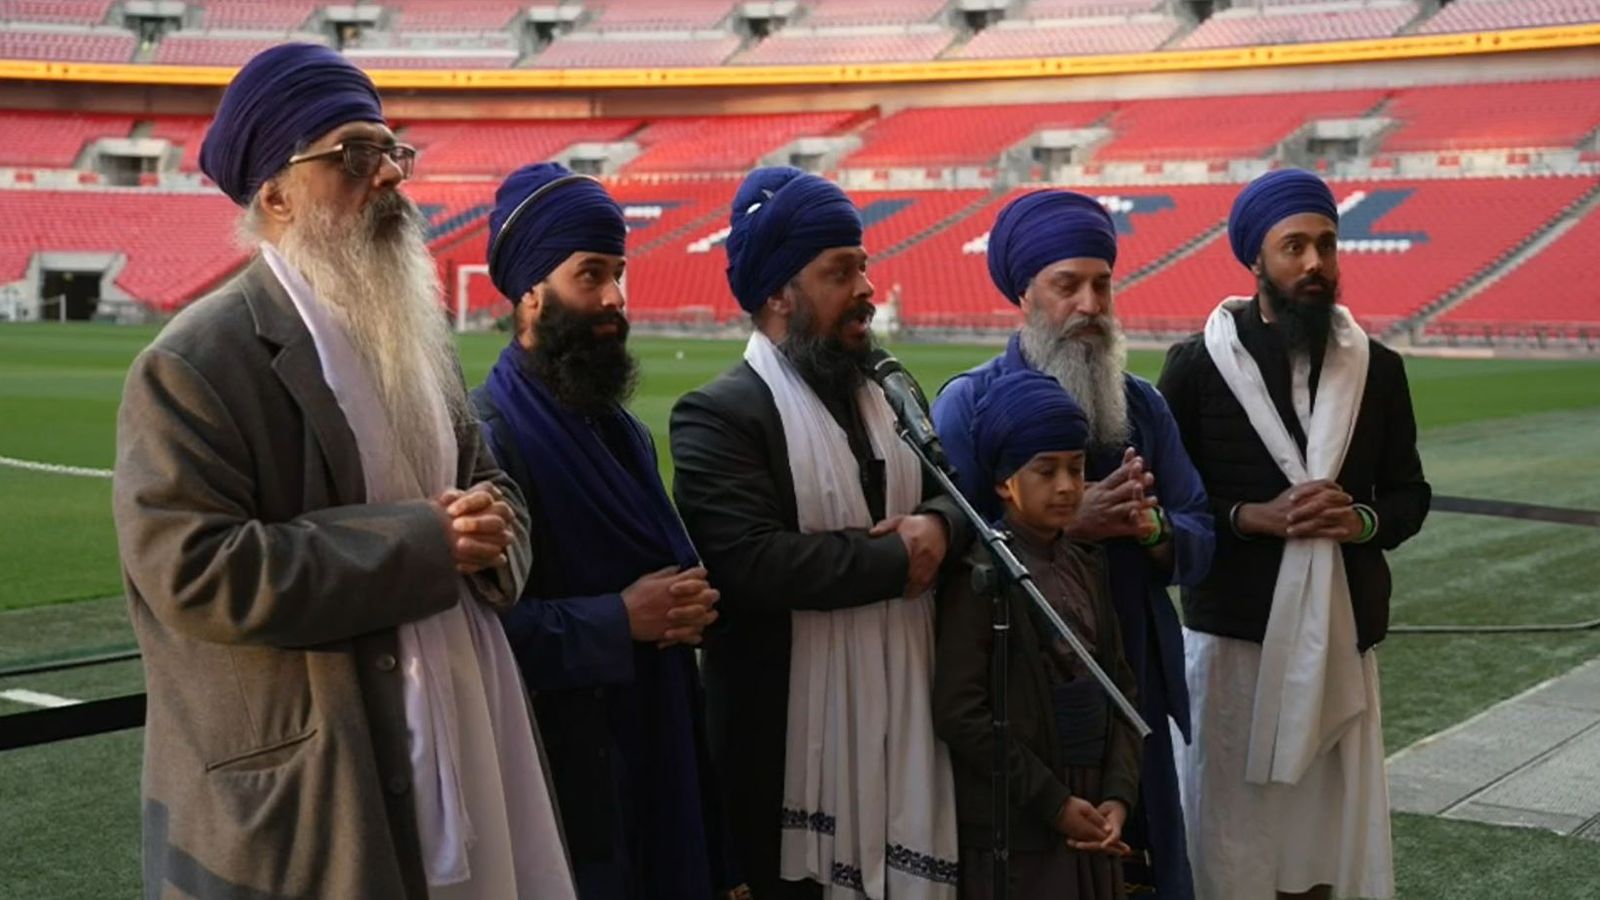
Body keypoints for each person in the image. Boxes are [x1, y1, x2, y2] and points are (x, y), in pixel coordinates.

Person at [111, 44, 573, 900]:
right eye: (354, 155)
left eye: (392, 152)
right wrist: (426, 543)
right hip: (319, 784)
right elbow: (196, 569)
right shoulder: (195, 363)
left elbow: (490, 486)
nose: (389, 175)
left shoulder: (410, 336)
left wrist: (489, 528)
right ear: (274, 192)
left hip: (472, 725)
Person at [669, 166, 970, 899]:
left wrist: (938, 522)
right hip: (783, 749)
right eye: (841, 272)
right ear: (779, 294)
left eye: (864, 265)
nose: (867, 288)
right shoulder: (717, 414)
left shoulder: (891, 389)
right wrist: (904, 554)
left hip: (910, 714)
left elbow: (958, 495)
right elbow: (755, 565)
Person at [469, 162, 740, 900]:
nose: (616, 298)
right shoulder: (486, 436)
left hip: (655, 744)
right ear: (530, 293)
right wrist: (620, 619)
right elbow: (477, 638)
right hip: (563, 778)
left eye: (619, 273)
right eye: (592, 275)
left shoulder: (617, 427)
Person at [1158, 168, 1431, 900]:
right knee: (1230, 847)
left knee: (1324, 855)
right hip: (1231, 649)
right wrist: (1253, 517)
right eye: (1294, 247)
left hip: (1341, 641)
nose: (1314, 263)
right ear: (1256, 259)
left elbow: (1409, 495)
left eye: (1327, 245)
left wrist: (1360, 520)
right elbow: (1168, 513)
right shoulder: (1194, 367)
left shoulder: (1381, 370)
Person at [932, 189, 1211, 899]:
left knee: (1144, 864)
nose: (1089, 303)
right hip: (1018, 707)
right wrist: (1064, 519)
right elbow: (950, 538)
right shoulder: (968, 403)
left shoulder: (1142, 406)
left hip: (1130, 688)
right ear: (1025, 294)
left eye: (1101, 284)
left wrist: (1149, 528)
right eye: (1068, 286)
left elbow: (1201, 534)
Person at [934, 369, 1143, 900]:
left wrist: (1118, 795)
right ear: (1005, 482)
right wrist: (1052, 802)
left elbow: (1118, 686)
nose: (1068, 486)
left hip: (1093, 803)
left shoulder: (1085, 564)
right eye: (1045, 472)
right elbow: (961, 711)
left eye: (1075, 469)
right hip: (1021, 816)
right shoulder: (980, 574)